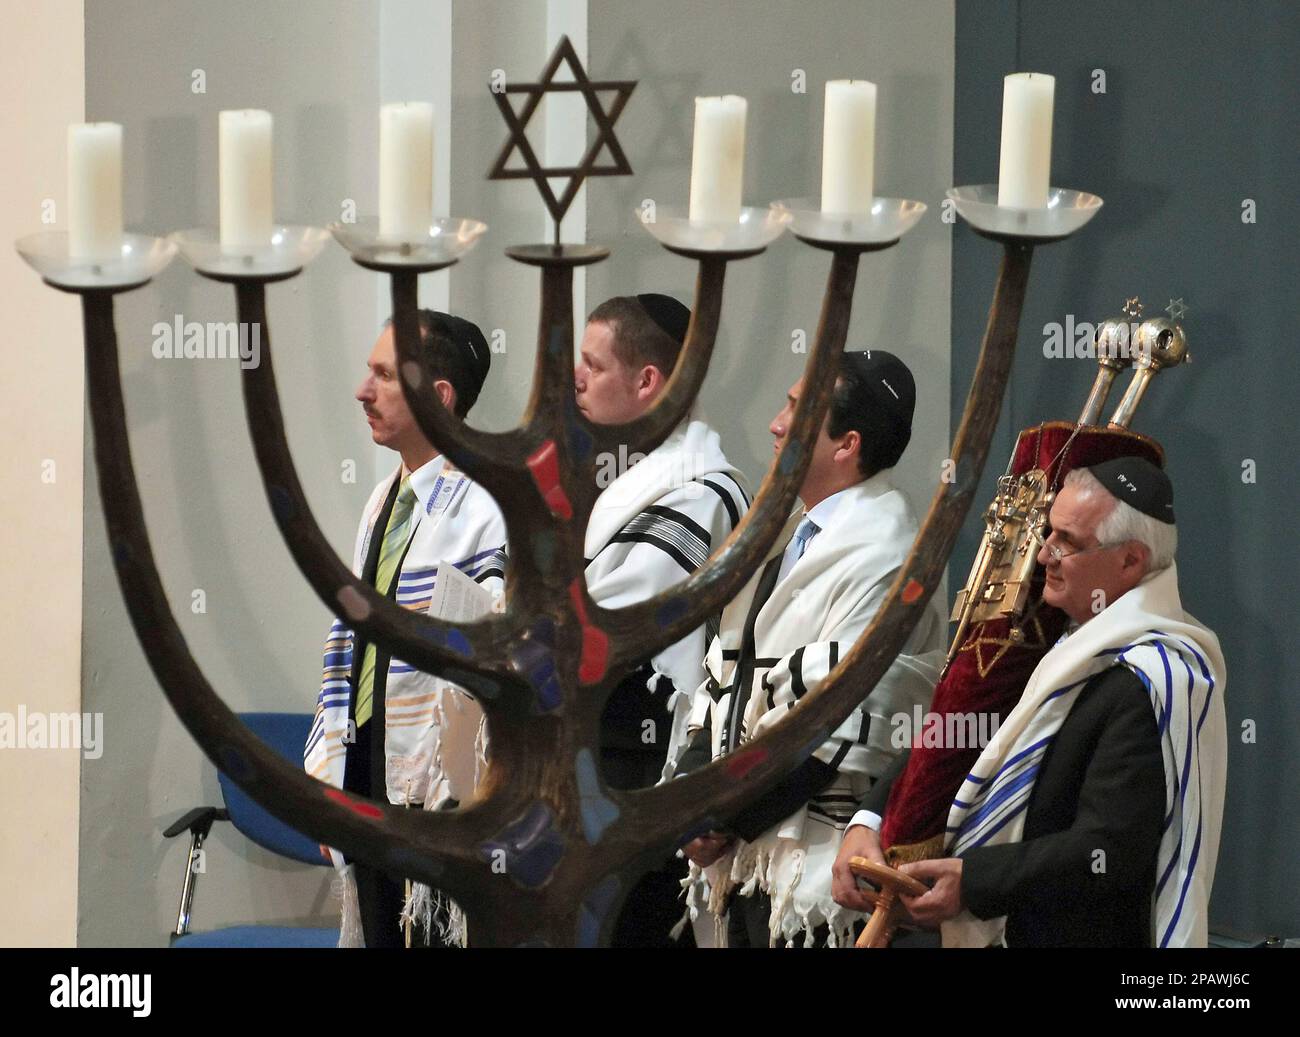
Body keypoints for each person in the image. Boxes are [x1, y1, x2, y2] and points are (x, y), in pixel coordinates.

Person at [880, 457, 1226, 947]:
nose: (1044, 556)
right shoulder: (1054, 639)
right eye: (1050, 533)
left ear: (1131, 560)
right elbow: (957, 737)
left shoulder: (1158, 676)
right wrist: (870, 820)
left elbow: (1110, 848)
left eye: (1069, 543)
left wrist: (973, 881)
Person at [677, 350, 945, 948]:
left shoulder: (888, 553)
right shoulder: (784, 533)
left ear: (846, 445)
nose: (775, 423)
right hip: (746, 854)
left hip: (812, 870)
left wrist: (721, 815)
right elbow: (725, 676)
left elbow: (836, 721)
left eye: (796, 409)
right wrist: (693, 800)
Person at [303, 310, 506, 948]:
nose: (363, 391)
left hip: (434, 780)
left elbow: (499, 646)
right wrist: (336, 768)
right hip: (369, 759)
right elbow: (353, 643)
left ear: (437, 396)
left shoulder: (492, 502)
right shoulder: (383, 500)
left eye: (383, 375)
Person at [576, 293, 751, 945]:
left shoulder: (704, 488)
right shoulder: (608, 479)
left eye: (592, 364)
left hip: (644, 768)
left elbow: (609, 623)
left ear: (648, 380)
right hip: (585, 764)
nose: (575, 380)